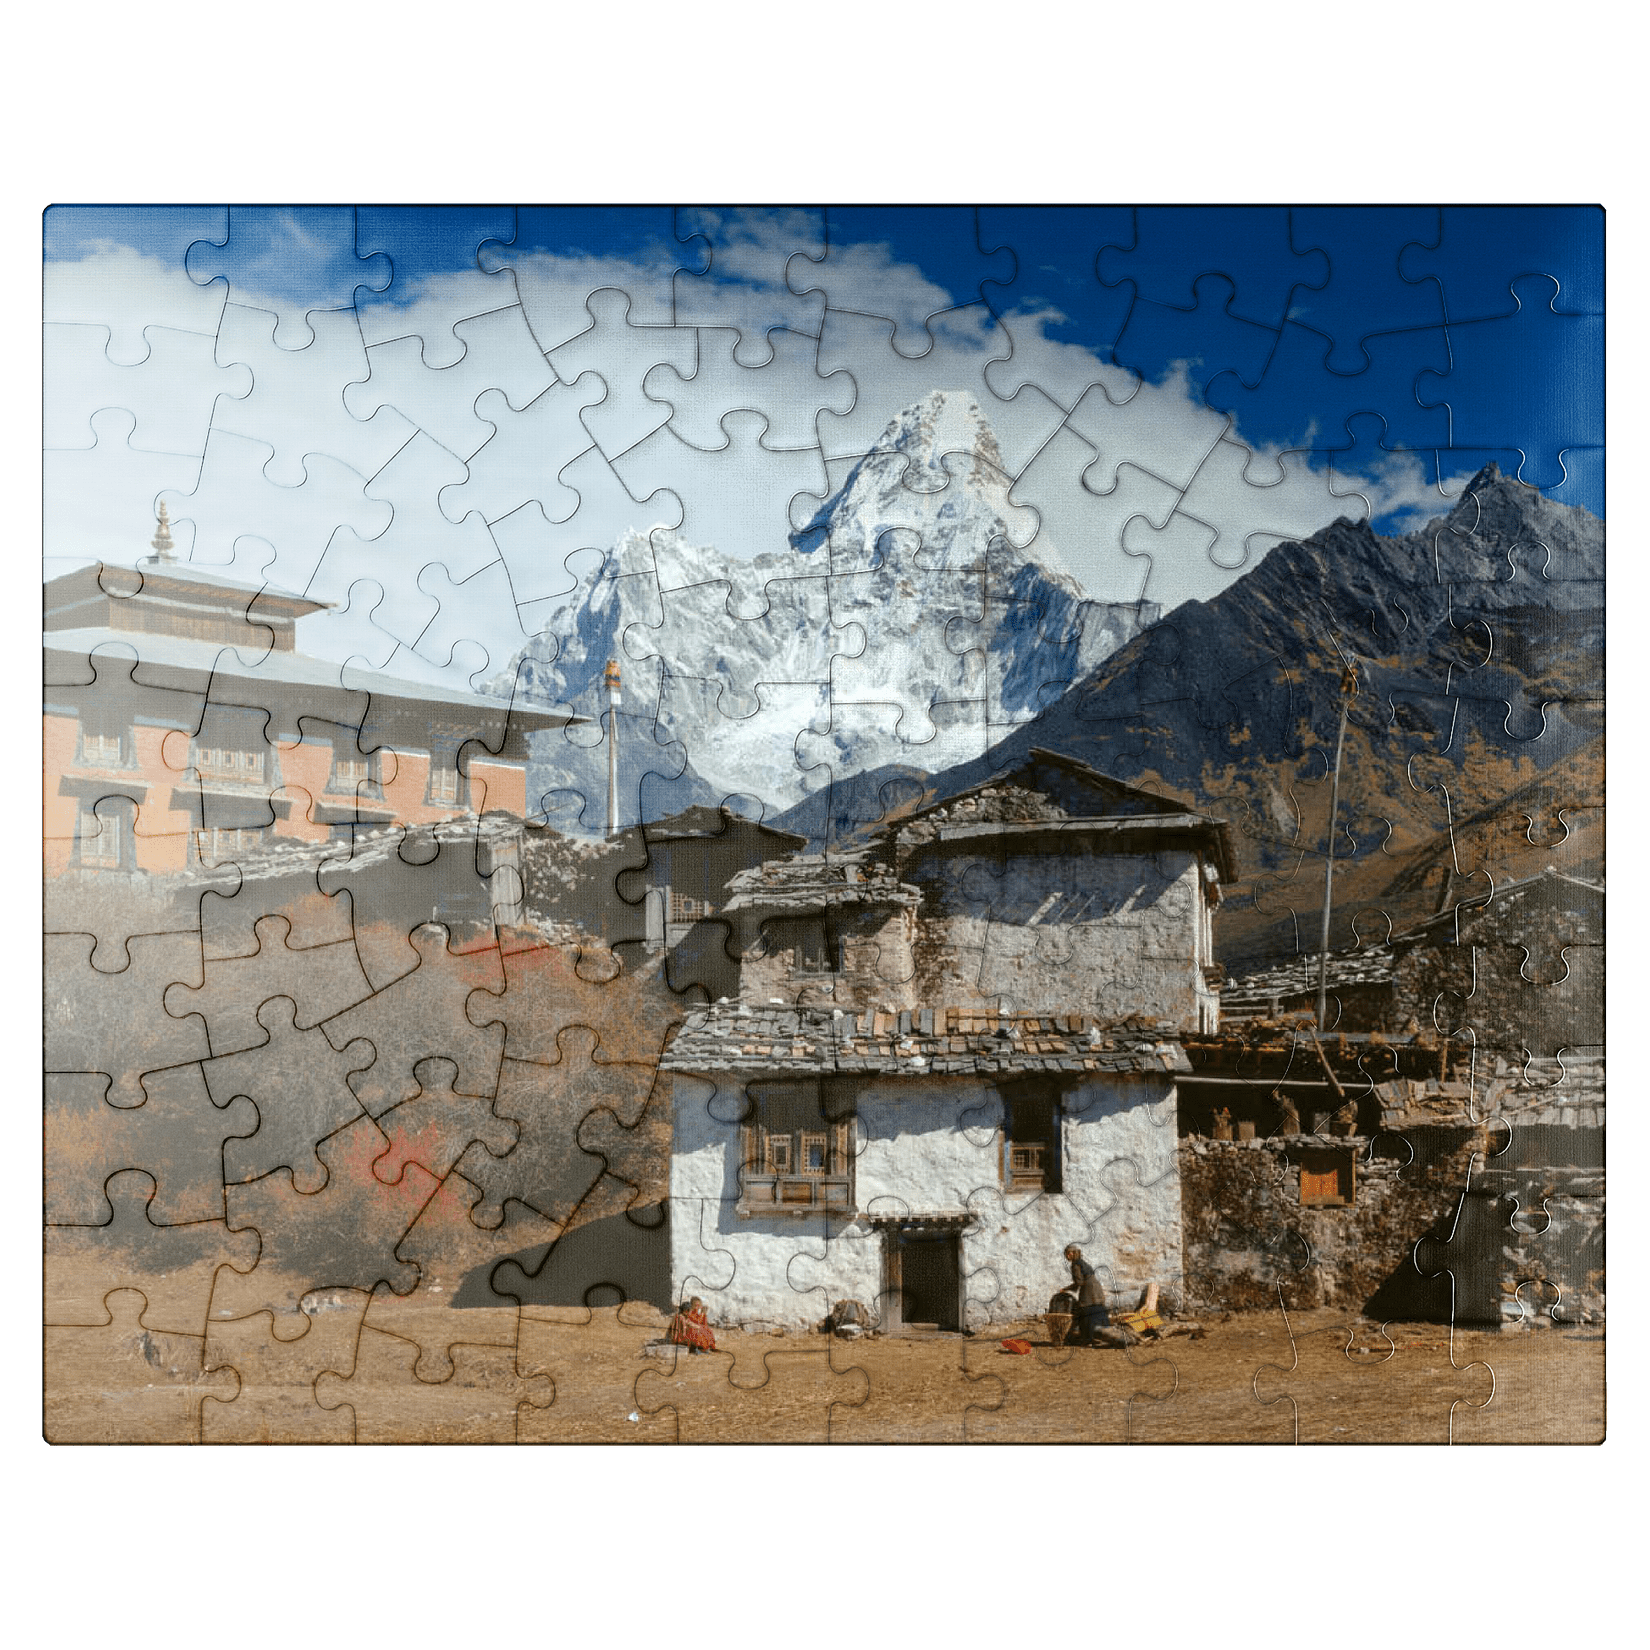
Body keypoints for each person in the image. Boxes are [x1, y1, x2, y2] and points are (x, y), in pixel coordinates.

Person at [1060, 1246, 1135, 1348]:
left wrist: (1065, 1289)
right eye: (1066, 1254)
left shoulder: (1075, 1265)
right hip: (1096, 1287)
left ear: (1073, 1254)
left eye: (1069, 1254)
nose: (1067, 1256)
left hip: (1088, 1290)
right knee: (1096, 1307)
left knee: (1086, 1309)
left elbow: (1079, 1282)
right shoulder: (1083, 1262)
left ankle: (1088, 1337)